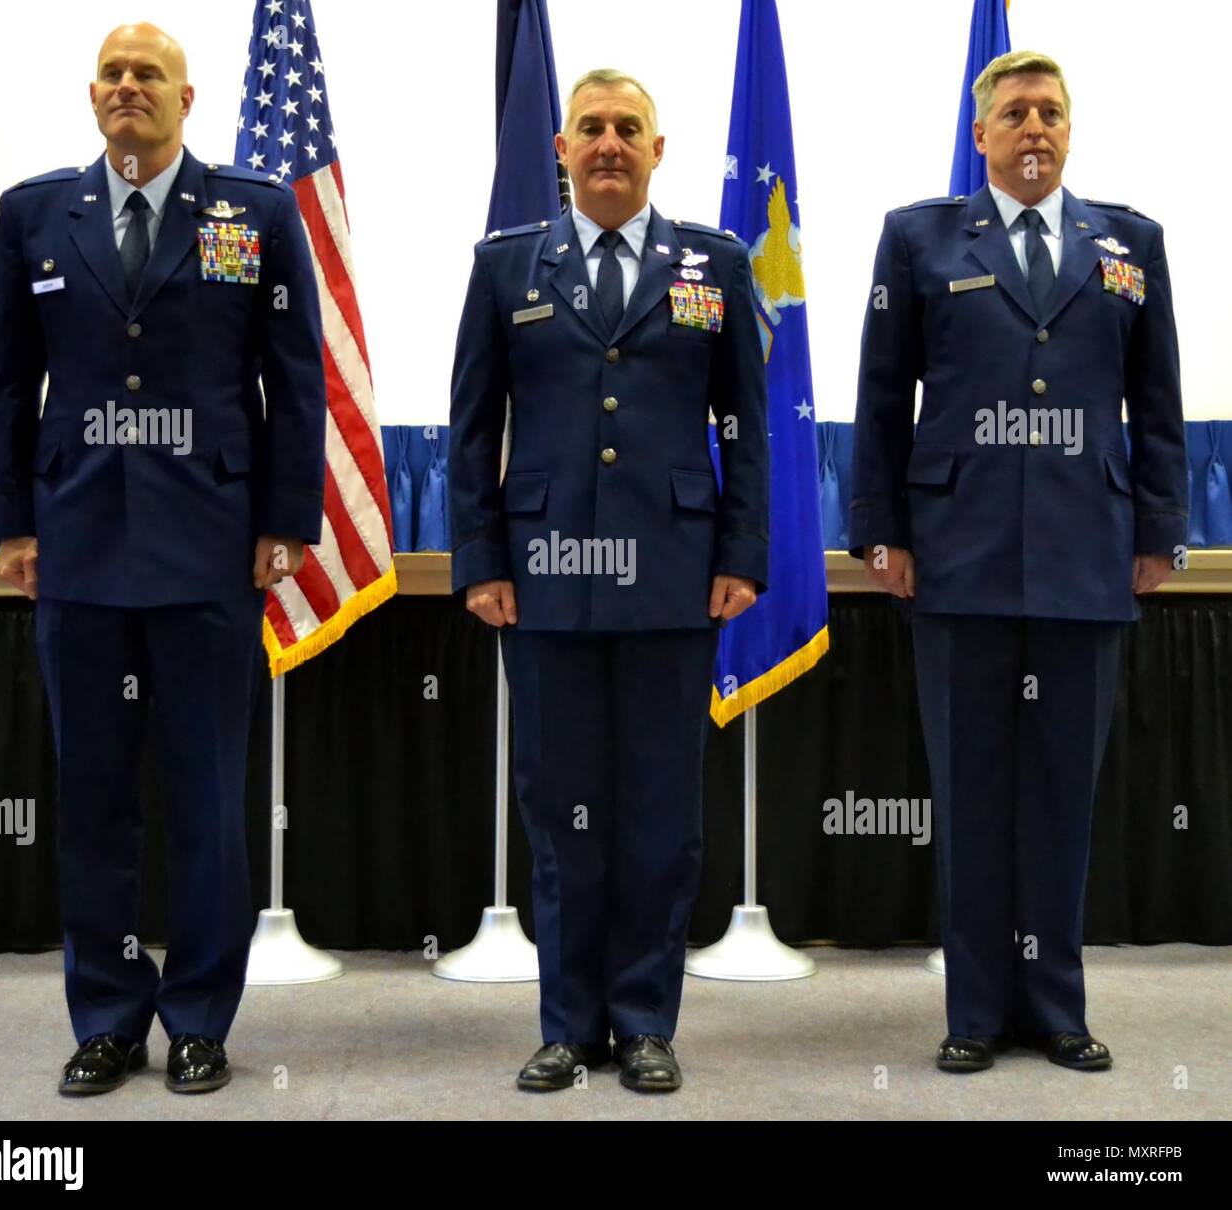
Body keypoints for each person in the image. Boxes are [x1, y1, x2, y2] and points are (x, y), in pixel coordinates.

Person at [0, 22, 326, 1094]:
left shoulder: (254, 212)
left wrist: (285, 519)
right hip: (79, 545)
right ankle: (107, 1016)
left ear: (188, 95)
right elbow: (7, 380)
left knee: (208, 797)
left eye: (150, 75)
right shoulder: (36, 213)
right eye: (114, 76)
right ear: (95, 98)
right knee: (94, 797)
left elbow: (294, 378)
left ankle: (199, 1018)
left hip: (209, 547)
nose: (130, 88)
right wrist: (14, 522)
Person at [851, 50, 1186, 1073]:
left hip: (1086, 554)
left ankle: (1058, 1006)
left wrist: (1156, 529)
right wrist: (882, 528)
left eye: (1049, 111)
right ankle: (975, 1011)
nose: (1032, 127)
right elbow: (881, 392)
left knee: (1059, 792)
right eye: (1013, 113)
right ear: (981, 134)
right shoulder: (918, 238)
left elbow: (1156, 403)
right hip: (961, 554)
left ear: (1068, 132)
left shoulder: (1128, 243)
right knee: (971, 787)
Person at [449, 69, 768, 1093]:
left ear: (657, 149)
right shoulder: (507, 268)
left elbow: (746, 429)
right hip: (543, 579)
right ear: (560, 146)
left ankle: (643, 1022)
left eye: (628, 128)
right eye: (590, 128)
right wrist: (482, 560)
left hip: (674, 578)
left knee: (660, 810)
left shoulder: (713, 264)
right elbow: (471, 430)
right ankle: (566, 1020)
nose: (608, 145)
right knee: (560, 805)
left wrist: (740, 554)